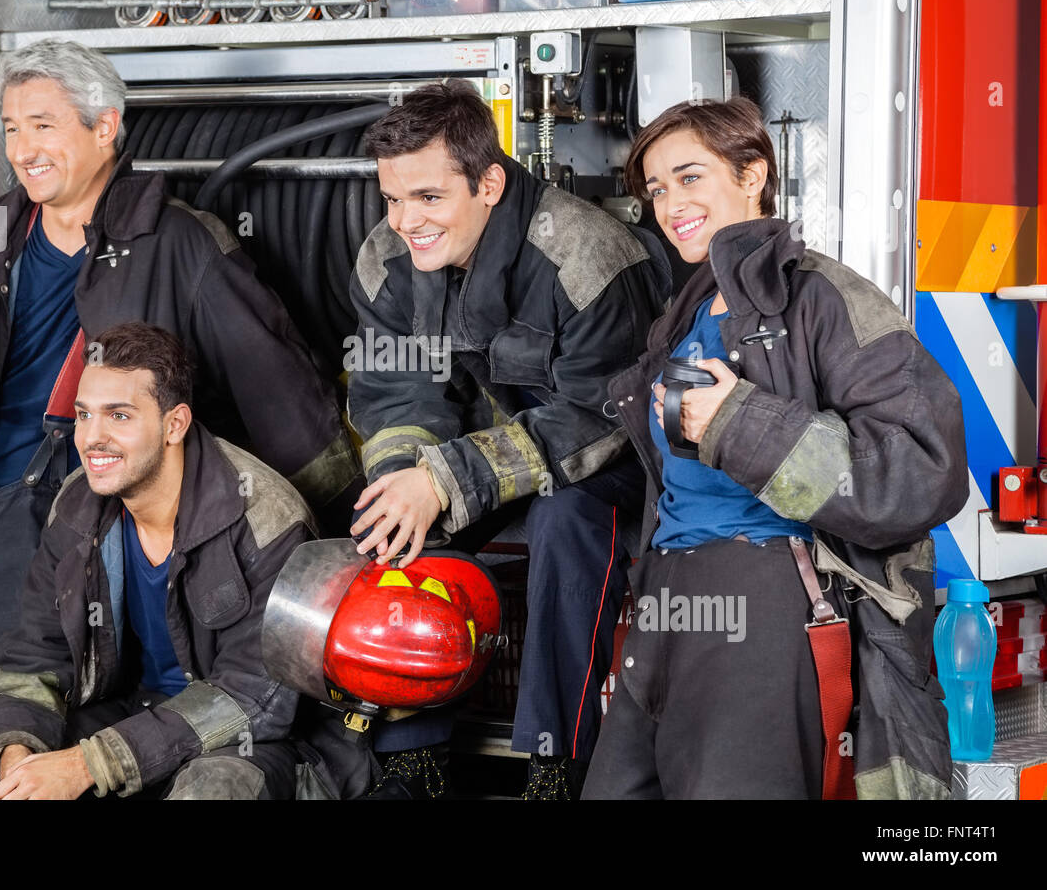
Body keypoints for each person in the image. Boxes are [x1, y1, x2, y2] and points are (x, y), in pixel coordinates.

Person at [0, 38, 360, 718]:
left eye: (44, 125)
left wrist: (352, 557)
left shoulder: (183, 247)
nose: (22, 149)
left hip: (105, 547)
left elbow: (285, 401)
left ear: (105, 128)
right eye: (12, 128)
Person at [582, 97, 967, 799]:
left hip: (766, 600)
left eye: (691, 177)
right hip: (667, 596)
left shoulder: (821, 298)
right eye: (657, 189)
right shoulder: (683, 315)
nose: (671, 204)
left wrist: (740, 421)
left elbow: (922, 470)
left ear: (753, 173)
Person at [346, 80, 669, 799]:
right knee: (388, 520)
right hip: (483, 461)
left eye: (428, 198)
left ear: (489, 183)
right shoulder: (385, 261)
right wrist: (410, 480)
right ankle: (412, 757)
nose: (405, 221)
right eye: (392, 199)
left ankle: (557, 763)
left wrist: (446, 481)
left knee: (565, 518)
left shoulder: (589, 257)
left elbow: (597, 417)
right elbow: (395, 395)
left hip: (611, 465)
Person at [0, 322, 318, 800]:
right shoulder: (78, 506)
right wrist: (18, 756)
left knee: (215, 788)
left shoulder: (266, 518)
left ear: (174, 424)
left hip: (241, 741)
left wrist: (92, 763)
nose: (92, 439)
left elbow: (255, 696)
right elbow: (32, 652)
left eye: (119, 416)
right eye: (84, 415)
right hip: (127, 714)